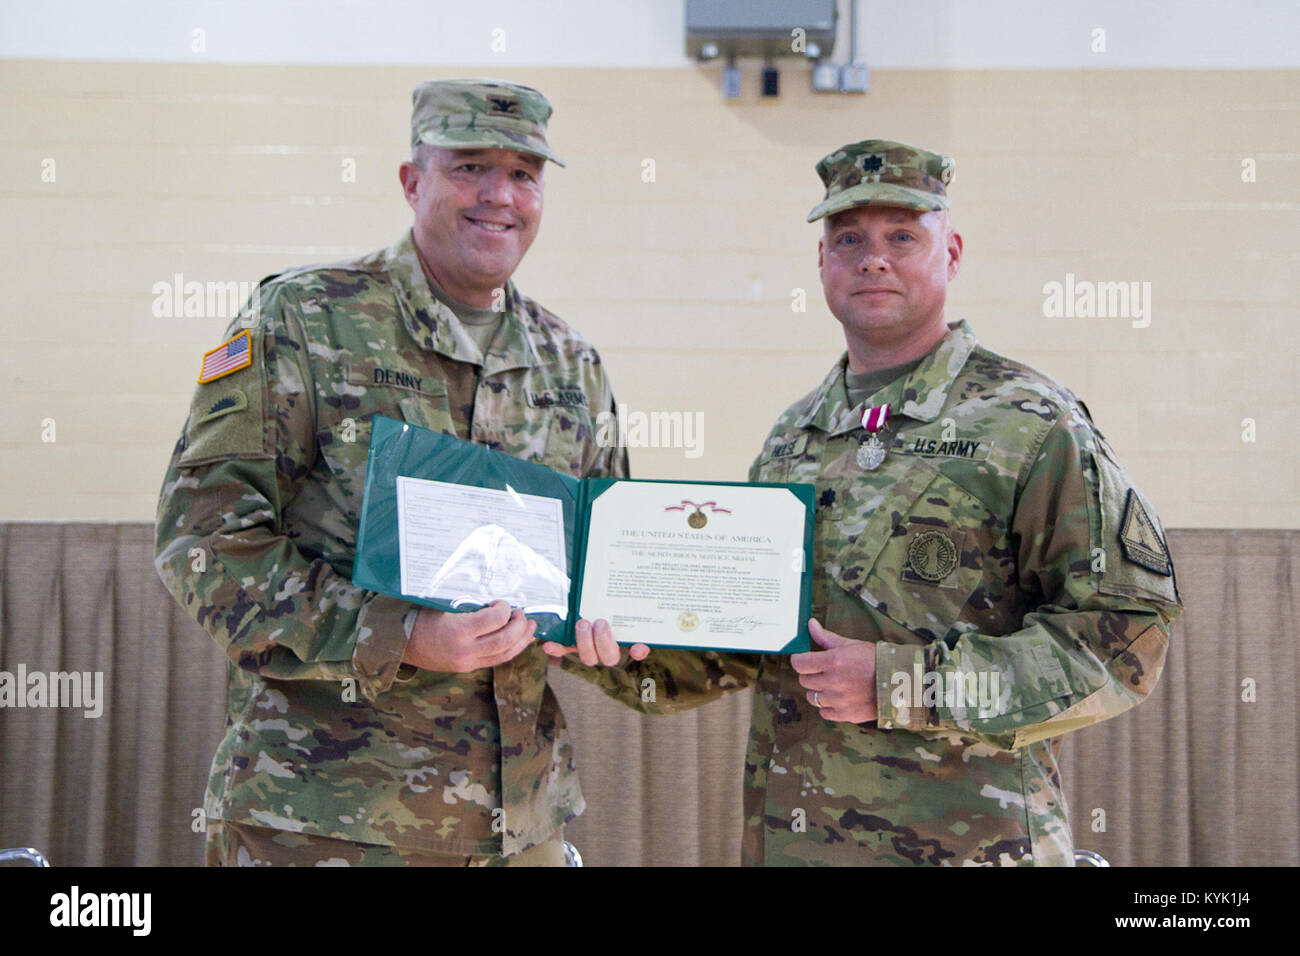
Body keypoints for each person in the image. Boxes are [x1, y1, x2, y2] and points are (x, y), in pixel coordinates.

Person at [559, 139, 1183, 866]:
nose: (872, 258)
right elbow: (736, 645)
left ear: (950, 253)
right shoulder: (795, 437)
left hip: (974, 848)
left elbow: (1126, 640)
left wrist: (904, 684)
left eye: (902, 238)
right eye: (847, 238)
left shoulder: (1030, 423)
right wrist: (599, 638)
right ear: (821, 264)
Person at [155, 78, 633, 866]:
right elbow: (202, 544)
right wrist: (402, 635)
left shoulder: (573, 366)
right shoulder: (306, 320)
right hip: (325, 813)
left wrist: (615, 627)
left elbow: (600, 572)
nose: (499, 195)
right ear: (413, 182)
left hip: (519, 822)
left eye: (524, 173)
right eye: (470, 166)